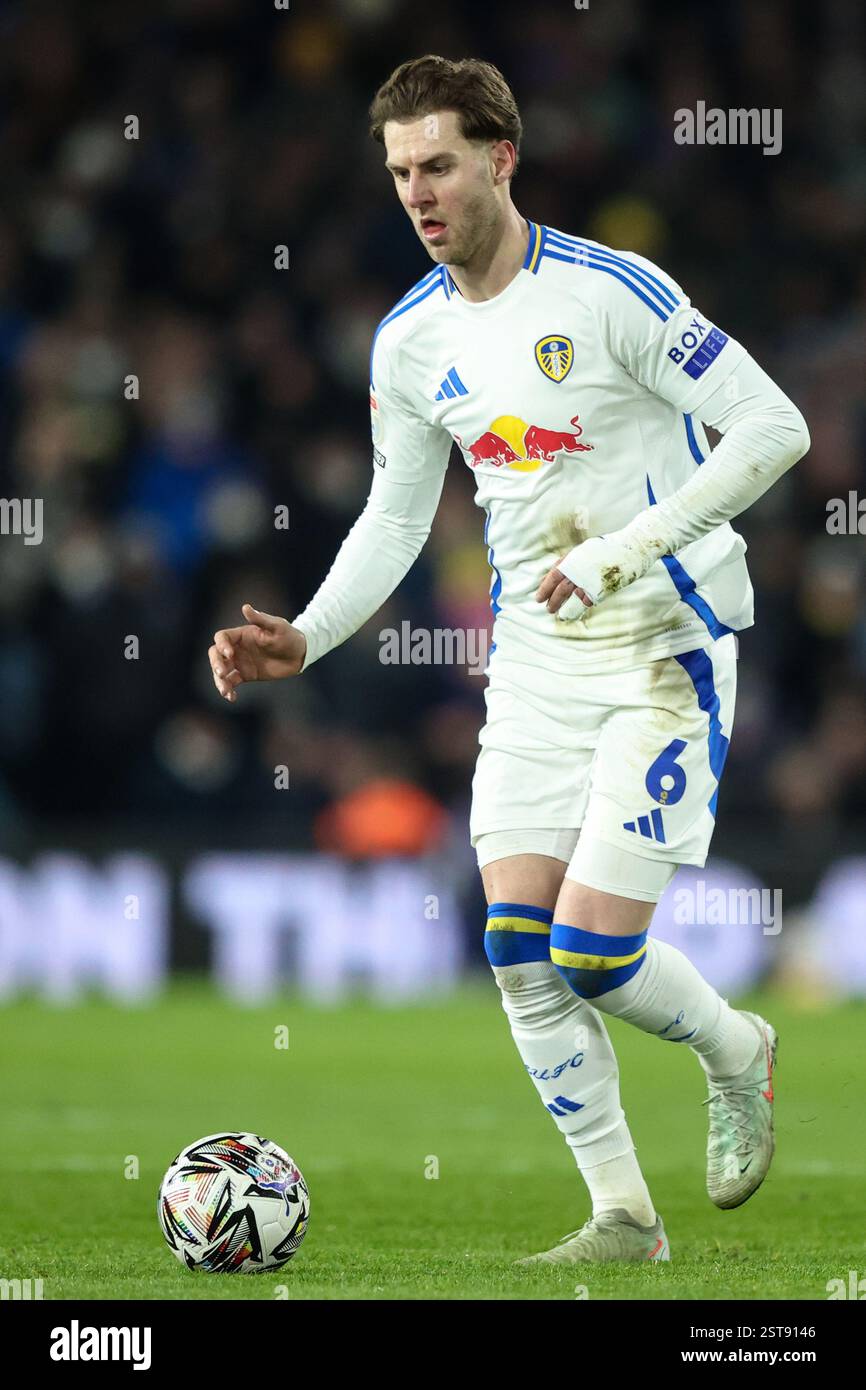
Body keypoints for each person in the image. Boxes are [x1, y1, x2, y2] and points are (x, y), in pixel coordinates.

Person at [208, 55, 809, 1264]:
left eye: (436, 165)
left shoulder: (610, 292)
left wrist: (622, 554)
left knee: (592, 953)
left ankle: (734, 1047)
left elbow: (773, 426)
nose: (417, 194)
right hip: (536, 662)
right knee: (513, 946)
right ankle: (622, 1219)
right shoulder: (411, 339)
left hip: (659, 644)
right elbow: (392, 515)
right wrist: (310, 636)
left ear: (499, 158)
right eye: (396, 174)